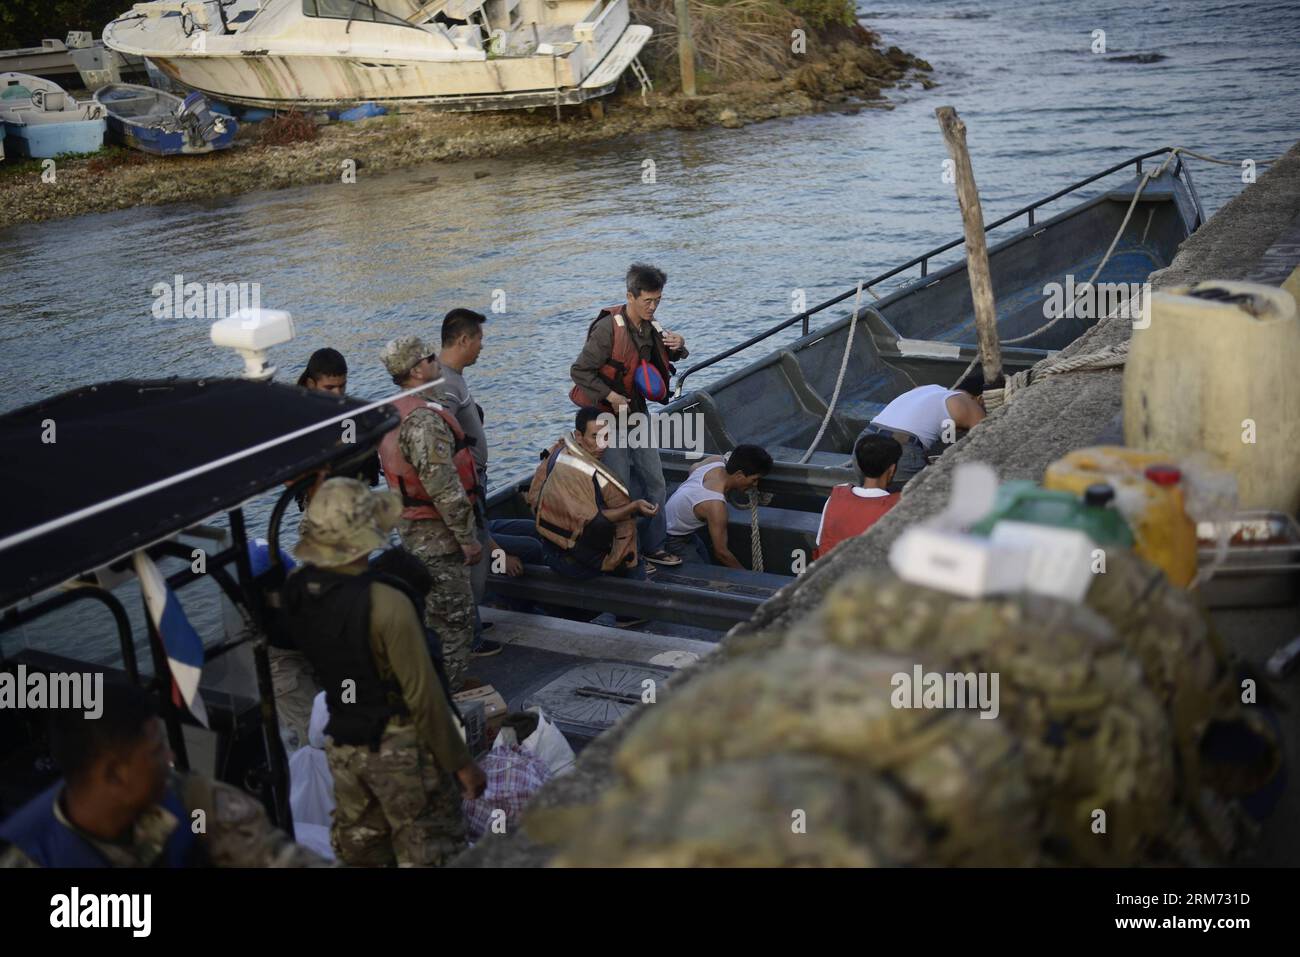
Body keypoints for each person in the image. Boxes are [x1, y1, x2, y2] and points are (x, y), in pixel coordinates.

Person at [281, 478, 486, 867]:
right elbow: (424, 695)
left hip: (343, 745)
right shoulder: (387, 601)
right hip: (401, 751)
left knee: (364, 852)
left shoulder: (298, 591)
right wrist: (462, 763)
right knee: (430, 850)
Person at [0, 680, 326, 868]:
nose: (170, 758)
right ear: (114, 775)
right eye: (156, 751)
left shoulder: (192, 800)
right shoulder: (28, 856)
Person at [377, 336, 482, 692]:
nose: (437, 360)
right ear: (418, 370)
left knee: (432, 617)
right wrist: (468, 539)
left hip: (414, 534)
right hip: (436, 539)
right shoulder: (423, 421)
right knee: (454, 623)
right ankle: (447, 698)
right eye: (429, 357)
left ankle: (440, 688)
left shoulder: (396, 410)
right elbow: (442, 485)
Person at [569, 264, 688, 568]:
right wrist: (610, 395)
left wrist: (680, 347)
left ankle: (654, 545)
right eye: (647, 301)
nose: (653, 307)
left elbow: (659, 360)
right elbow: (579, 371)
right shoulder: (608, 329)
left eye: (658, 300)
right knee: (620, 487)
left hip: (637, 415)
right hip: (607, 419)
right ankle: (626, 551)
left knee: (656, 481)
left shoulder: (651, 327)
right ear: (630, 296)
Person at [435, 307, 502, 658]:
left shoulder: (452, 377)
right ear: (463, 340)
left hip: (475, 481)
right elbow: (442, 442)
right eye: (479, 340)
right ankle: (470, 636)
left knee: (478, 552)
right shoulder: (445, 383)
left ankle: (474, 622)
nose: (481, 347)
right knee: (472, 559)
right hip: (465, 487)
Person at [528, 406, 660, 583]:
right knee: (634, 573)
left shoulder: (563, 450)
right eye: (595, 437)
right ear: (579, 436)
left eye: (606, 436)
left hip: (568, 544)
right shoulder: (571, 470)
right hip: (568, 558)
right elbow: (593, 520)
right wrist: (634, 507)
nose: (602, 444)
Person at [856, 369, 996, 488]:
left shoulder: (928, 389)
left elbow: (940, 435)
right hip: (901, 448)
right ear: (981, 399)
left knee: (870, 499)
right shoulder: (969, 404)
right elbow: (989, 445)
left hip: (866, 441)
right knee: (909, 506)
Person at [293, 347, 380, 510]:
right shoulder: (300, 420)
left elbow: (356, 459)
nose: (338, 393)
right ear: (311, 384)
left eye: (342, 386)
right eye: (329, 388)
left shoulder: (348, 415)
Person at [662, 444, 772, 568]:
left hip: (677, 528)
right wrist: (748, 577)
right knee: (702, 579)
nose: (755, 485)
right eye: (754, 479)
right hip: (673, 539)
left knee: (707, 565)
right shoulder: (716, 505)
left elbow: (693, 467)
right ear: (739, 475)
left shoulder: (715, 461)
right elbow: (721, 553)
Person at [813, 434, 902, 560]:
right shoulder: (899, 505)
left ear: (859, 466)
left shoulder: (837, 494)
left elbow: (821, 541)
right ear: (892, 469)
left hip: (828, 572)